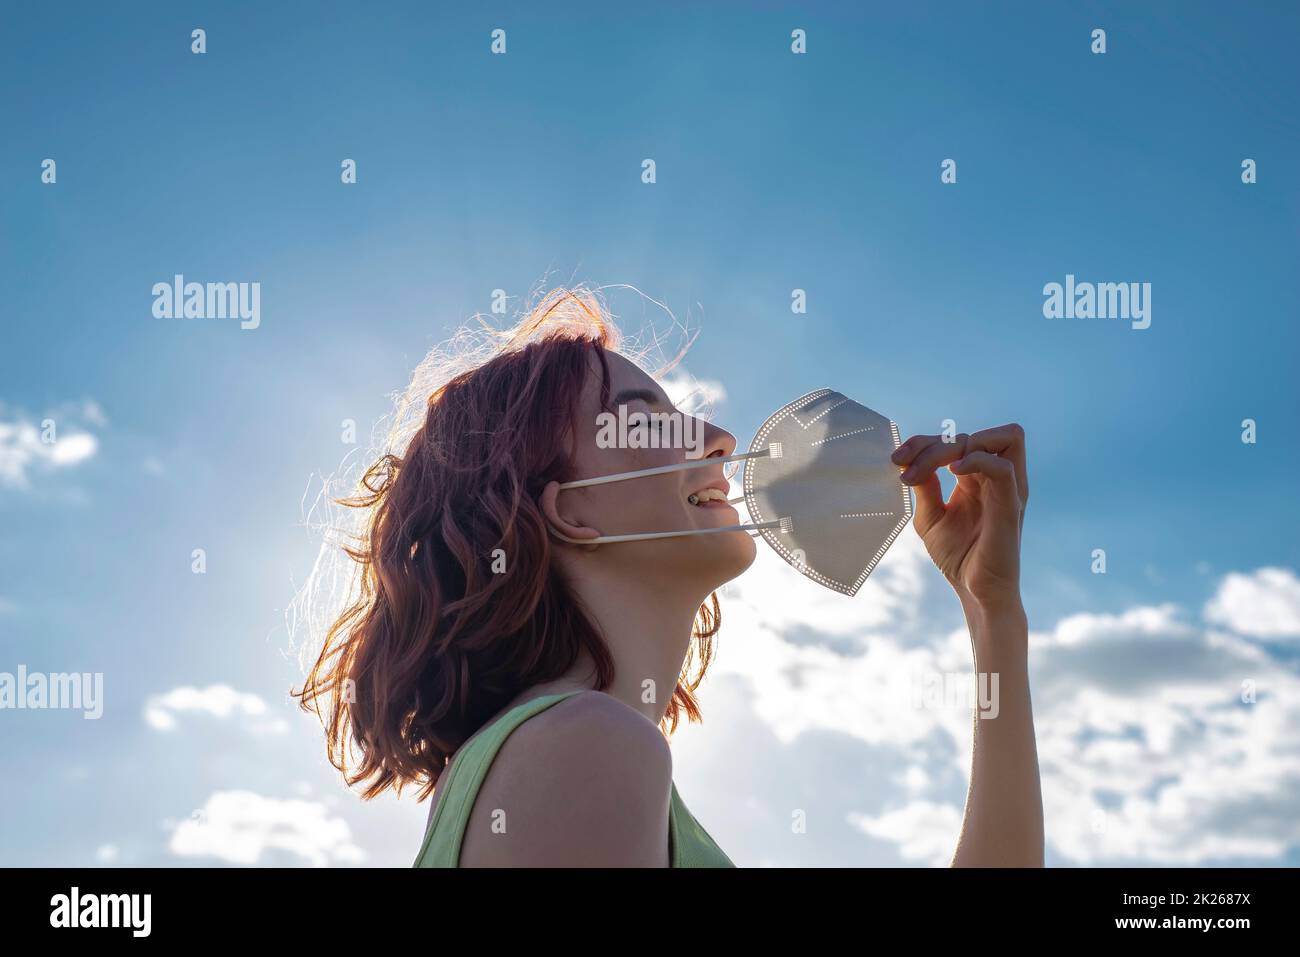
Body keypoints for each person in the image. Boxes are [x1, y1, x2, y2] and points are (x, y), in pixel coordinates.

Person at [294, 287, 1043, 867]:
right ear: (571, 512)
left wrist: (993, 614)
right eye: (647, 420)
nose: (717, 440)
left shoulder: (557, 750)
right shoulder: (585, 743)